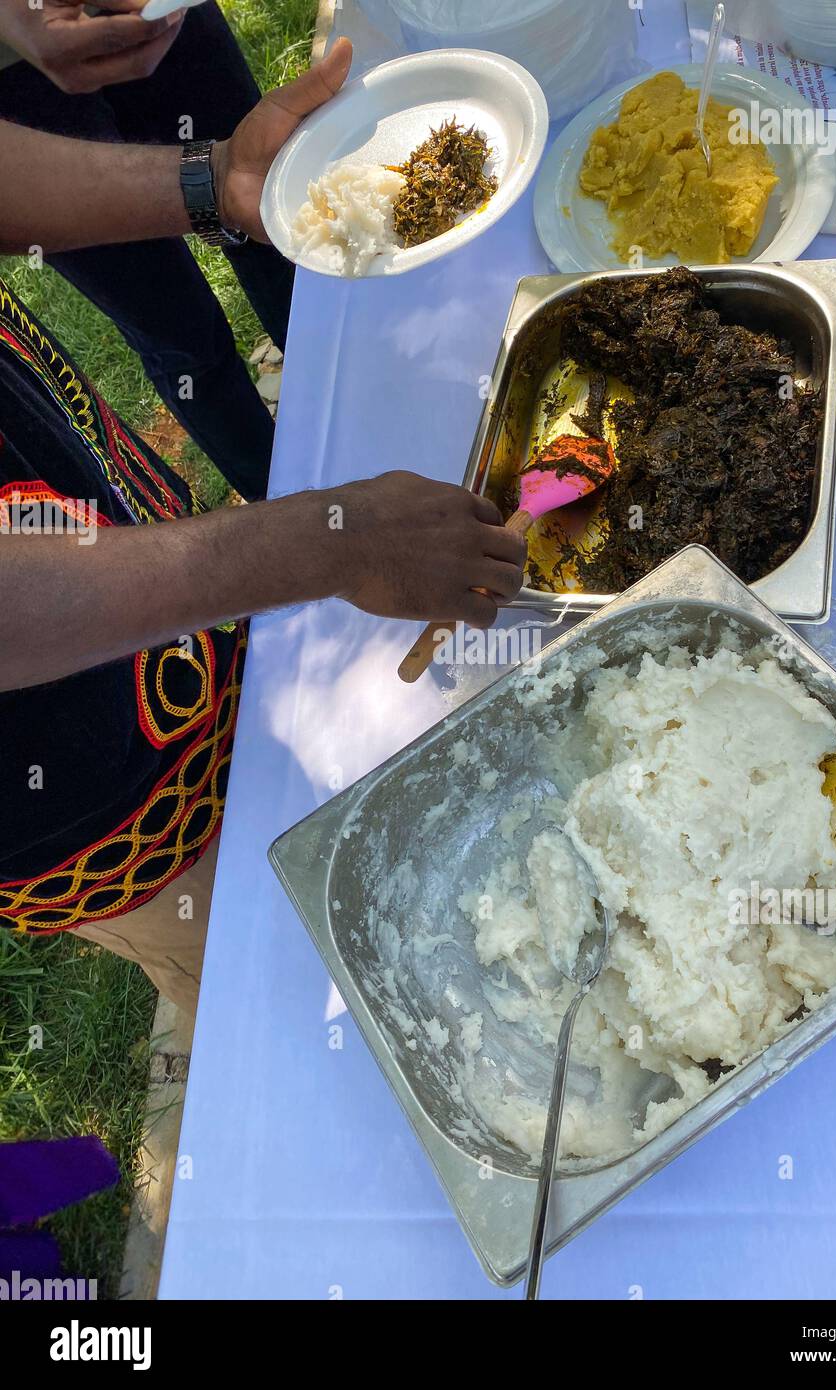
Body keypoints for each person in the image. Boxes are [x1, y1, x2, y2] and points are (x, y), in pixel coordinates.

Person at [0, 37, 527, 1013]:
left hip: (150, 605)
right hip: (83, 799)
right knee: (326, 998)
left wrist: (214, 185)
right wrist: (328, 540)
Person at [0, 0, 299, 501]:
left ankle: (356, 410)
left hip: (168, 11)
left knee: (276, 224)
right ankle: (294, 501)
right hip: (14, 89)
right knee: (182, 335)